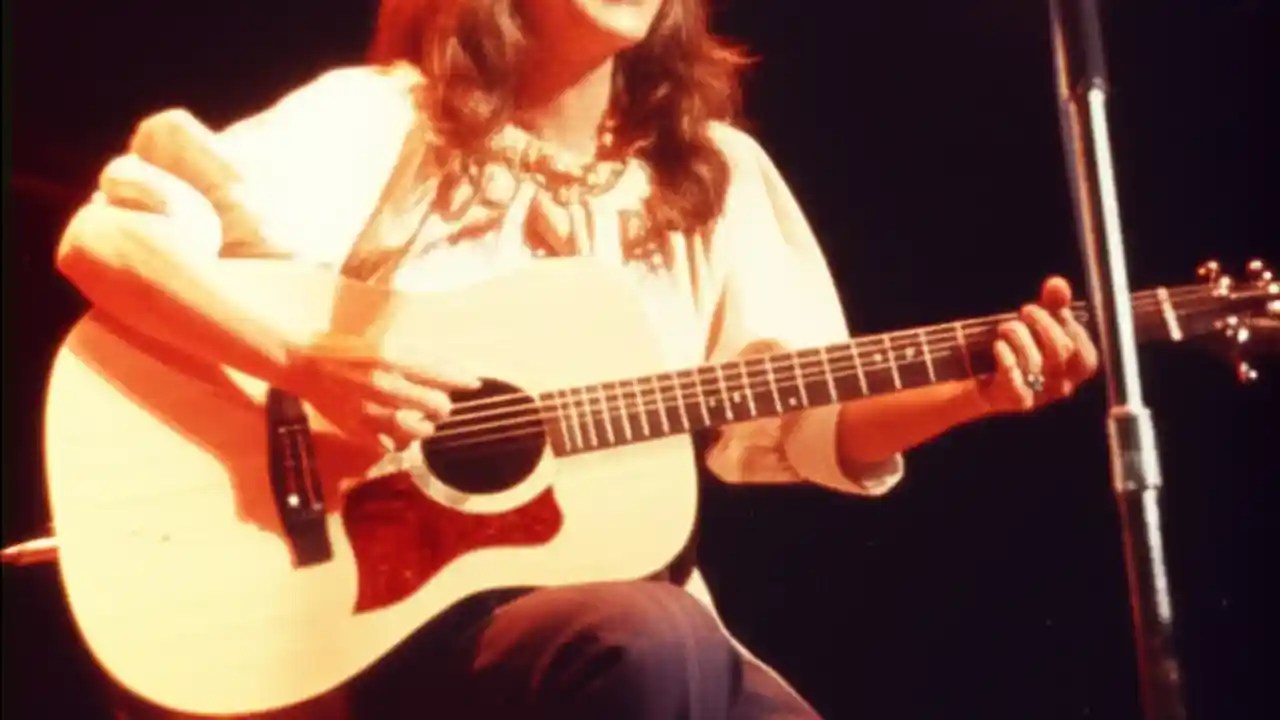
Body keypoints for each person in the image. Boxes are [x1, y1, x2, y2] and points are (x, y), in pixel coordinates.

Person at [55, 0, 1100, 717]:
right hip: (361, 622)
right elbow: (104, 242)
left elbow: (792, 421)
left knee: (674, 654)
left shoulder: (708, 177)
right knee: (646, 642)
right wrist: (306, 361)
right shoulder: (378, 122)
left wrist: (969, 391)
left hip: (605, 644)